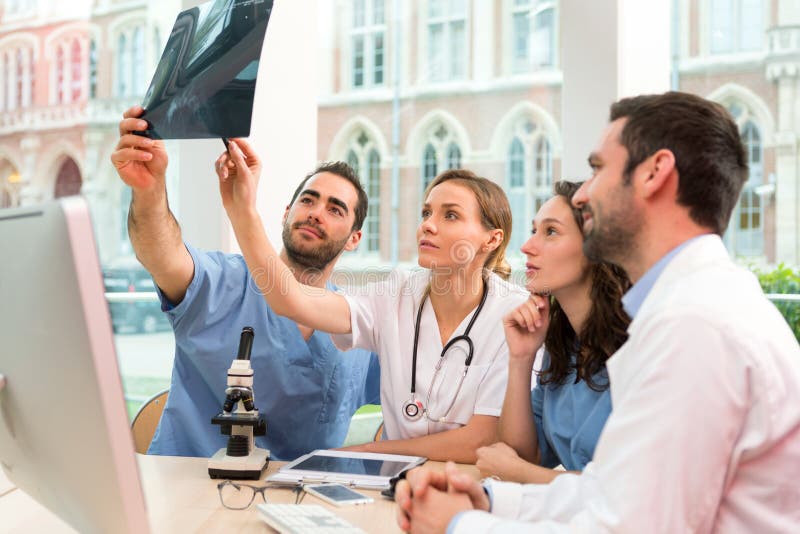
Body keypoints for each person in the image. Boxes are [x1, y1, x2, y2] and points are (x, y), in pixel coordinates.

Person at [395, 91, 800, 532]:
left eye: (598, 169)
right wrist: (492, 501)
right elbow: (613, 491)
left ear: (654, 173)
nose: (584, 195)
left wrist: (459, 525)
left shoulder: (696, 326)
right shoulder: (687, 308)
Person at [214, 140, 530, 463]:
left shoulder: (514, 313)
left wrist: (368, 452)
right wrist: (243, 211)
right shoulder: (394, 294)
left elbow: (483, 439)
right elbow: (290, 300)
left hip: (473, 489)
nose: (427, 225)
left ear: (491, 239)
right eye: (426, 212)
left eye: (450, 215)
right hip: (396, 488)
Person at [110, 106, 381, 460]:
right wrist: (148, 190)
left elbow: (418, 396)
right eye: (308, 200)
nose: (316, 212)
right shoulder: (222, 282)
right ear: (287, 214)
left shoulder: (355, 324)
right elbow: (160, 254)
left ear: (354, 238)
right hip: (188, 492)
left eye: (336, 209)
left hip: (294, 505)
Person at [476, 180, 630, 484]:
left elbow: (625, 486)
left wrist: (520, 473)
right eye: (535, 230)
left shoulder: (637, 344)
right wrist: (521, 358)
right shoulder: (563, 346)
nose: (527, 246)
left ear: (596, 247)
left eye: (551, 232)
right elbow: (522, 453)